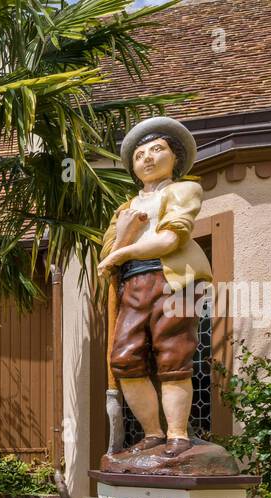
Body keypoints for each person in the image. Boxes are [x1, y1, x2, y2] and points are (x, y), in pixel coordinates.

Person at [97, 116, 213, 463]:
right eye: (140, 155)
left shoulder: (184, 190)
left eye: (157, 149)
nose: (147, 158)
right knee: (125, 358)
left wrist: (125, 249)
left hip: (172, 282)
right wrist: (126, 235)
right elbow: (107, 256)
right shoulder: (125, 209)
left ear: (175, 157)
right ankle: (152, 433)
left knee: (173, 355)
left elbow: (168, 239)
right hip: (134, 283)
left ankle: (178, 434)